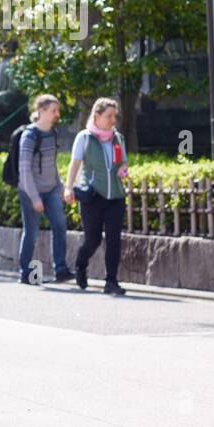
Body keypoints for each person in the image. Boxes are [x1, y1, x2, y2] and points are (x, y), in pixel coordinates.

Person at [64, 97, 129, 295]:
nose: (113, 120)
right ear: (97, 116)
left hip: (115, 196)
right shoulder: (84, 137)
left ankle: (111, 281)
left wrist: (123, 169)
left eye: (114, 116)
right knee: (93, 240)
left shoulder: (118, 138)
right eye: (109, 116)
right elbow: (74, 164)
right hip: (93, 196)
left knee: (114, 239)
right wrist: (68, 188)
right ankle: (80, 265)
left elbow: (123, 161)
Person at [17, 94, 74, 284]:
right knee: (31, 232)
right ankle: (25, 273)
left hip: (50, 190)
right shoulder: (30, 135)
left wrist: (59, 186)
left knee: (59, 226)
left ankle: (61, 269)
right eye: (53, 111)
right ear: (41, 110)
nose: (57, 114)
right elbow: (24, 169)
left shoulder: (53, 133)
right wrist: (34, 197)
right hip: (30, 191)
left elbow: (52, 164)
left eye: (57, 110)